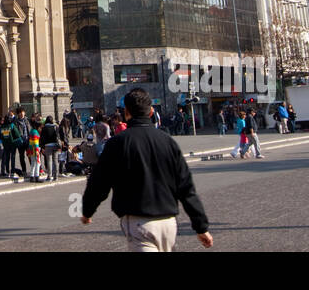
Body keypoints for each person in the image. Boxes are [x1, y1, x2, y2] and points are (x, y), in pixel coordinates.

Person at [79, 88, 213, 252]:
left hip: (138, 222)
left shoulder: (118, 143)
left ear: (126, 112)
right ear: (151, 112)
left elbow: (99, 183)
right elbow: (186, 188)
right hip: (169, 223)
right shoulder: (168, 142)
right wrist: (201, 226)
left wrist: (87, 211)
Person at [40, 116, 61, 181]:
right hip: (55, 144)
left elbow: (42, 138)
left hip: (47, 145)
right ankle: (56, 176)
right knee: (55, 161)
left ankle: (49, 176)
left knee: (49, 161)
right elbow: (59, 136)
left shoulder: (44, 128)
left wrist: (42, 146)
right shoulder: (55, 126)